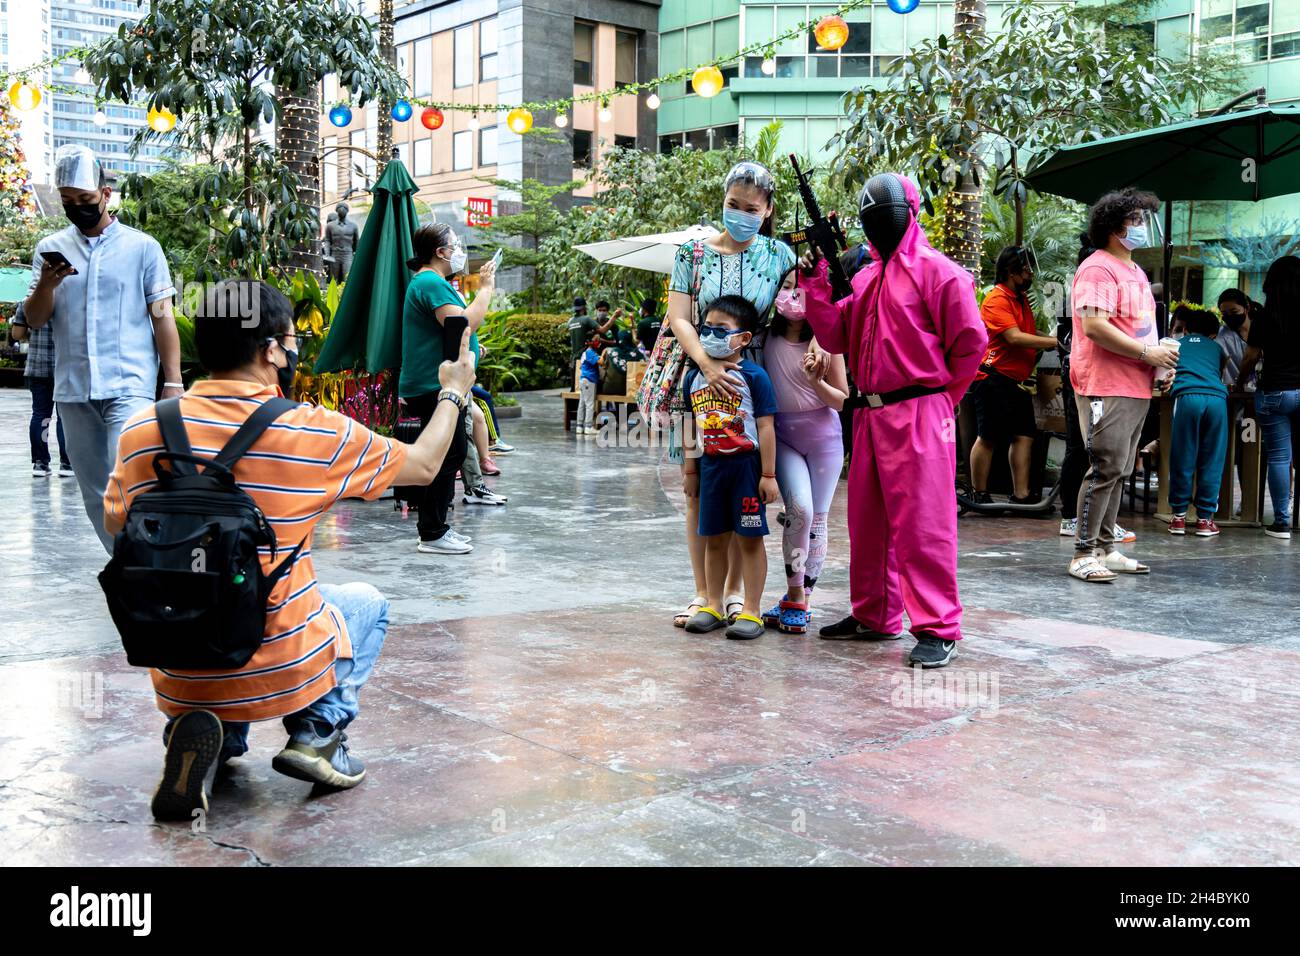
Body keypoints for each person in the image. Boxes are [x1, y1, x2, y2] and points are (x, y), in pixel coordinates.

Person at [104, 281, 477, 821]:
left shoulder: (142, 430)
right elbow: (423, 465)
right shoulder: (312, 432)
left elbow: (118, 522)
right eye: (290, 340)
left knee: (215, 608)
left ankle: (210, 734)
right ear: (272, 350)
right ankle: (317, 731)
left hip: (175, 654)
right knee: (364, 602)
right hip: (279, 659)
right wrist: (452, 390)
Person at [799, 172, 986, 668]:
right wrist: (816, 281)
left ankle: (937, 626)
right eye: (870, 216)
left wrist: (945, 400)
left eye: (887, 213)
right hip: (870, 413)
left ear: (912, 213)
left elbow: (971, 343)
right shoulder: (865, 277)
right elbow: (838, 336)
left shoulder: (942, 274)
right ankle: (876, 614)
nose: (879, 223)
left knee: (925, 524)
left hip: (920, 409)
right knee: (869, 521)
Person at [21, 144, 182, 553]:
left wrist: (174, 382)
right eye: (69, 202)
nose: (79, 208)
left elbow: (162, 316)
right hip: (73, 387)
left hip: (129, 384)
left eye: (87, 200)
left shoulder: (142, 248)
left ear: (106, 194)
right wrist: (47, 285)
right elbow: (36, 320)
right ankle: (127, 567)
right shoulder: (49, 248)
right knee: (95, 490)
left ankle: (153, 560)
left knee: (128, 476)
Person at [667, 160, 797, 627]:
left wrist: (821, 342)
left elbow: (805, 309)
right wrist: (704, 362)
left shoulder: (781, 255)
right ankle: (705, 594)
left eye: (751, 208)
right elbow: (680, 316)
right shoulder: (692, 253)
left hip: (753, 378)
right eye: (732, 205)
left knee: (746, 489)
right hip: (700, 380)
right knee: (698, 490)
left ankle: (741, 597)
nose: (740, 213)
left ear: (766, 210)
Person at [1067, 188, 1178, 583]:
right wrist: (1148, 355)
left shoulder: (1135, 272)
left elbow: (1139, 330)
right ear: (1115, 227)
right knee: (1105, 467)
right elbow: (1095, 326)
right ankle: (1083, 552)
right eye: (1137, 219)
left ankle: (1104, 548)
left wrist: (1158, 360)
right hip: (1106, 383)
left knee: (1119, 468)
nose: (1143, 226)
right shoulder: (1098, 269)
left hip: (1135, 384)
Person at [680, 296, 779, 640]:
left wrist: (768, 474)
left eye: (720, 329)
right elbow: (688, 426)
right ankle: (712, 603)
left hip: (746, 470)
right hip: (711, 470)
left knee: (750, 539)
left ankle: (752, 609)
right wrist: (690, 472)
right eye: (706, 328)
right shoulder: (693, 377)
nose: (710, 334)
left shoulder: (755, 377)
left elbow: (766, 426)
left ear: (744, 338)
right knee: (714, 539)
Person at [397, 222, 499, 554]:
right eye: (453, 245)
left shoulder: (429, 282)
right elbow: (463, 323)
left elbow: (449, 334)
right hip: (433, 386)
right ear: (440, 252)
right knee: (449, 452)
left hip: (432, 382)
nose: (457, 251)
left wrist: (471, 351)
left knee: (449, 451)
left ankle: (435, 528)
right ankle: (432, 531)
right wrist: (485, 288)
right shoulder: (430, 281)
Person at [760, 269, 848, 634]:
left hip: (825, 436)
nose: (793, 295)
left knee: (819, 519)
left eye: (801, 289)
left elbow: (843, 400)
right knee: (799, 510)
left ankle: (801, 597)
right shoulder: (765, 340)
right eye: (786, 287)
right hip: (784, 436)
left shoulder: (829, 343)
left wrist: (816, 380)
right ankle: (795, 592)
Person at [967, 246, 1058, 504]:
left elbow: (1029, 331)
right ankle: (979, 492)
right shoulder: (997, 299)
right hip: (993, 378)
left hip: (1016, 382)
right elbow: (1014, 337)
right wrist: (1051, 343)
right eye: (1027, 270)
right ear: (1011, 271)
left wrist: (1056, 339)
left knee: (1024, 435)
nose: (1031, 274)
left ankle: (1021, 494)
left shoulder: (1018, 299)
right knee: (988, 437)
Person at [1237, 254, 1300, 539]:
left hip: (1274, 391)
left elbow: (1250, 357)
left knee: (1278, 457)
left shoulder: (1263, 317)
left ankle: (1282, 523)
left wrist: (1239, 382)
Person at [1167, 309, 1228, 537]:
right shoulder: (1218, 349)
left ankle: (1179, 518)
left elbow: (1165, 374)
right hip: (1216, 400)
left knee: (1182, 455)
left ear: (1186, 329)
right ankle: (1204, 520)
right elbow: (1219, 373)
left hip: (1186, 397)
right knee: (1212, 458)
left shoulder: (1174, 345)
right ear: (1214, 334)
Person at [9, 302, 73, 478]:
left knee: (40, 415)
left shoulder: (28, 302)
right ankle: (67, 463)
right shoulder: (70, 298)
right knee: (65, 417)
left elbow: (17, 334)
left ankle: (40, 463)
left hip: (38, 367)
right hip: (65, 366)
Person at [1217, 288, 1260, 388]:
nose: (1230, 316)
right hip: (1234, 393)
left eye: (1234, 311)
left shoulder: (1261, 329)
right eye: (1224, 314)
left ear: (1247, 308)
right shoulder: (1221, 336)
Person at [323, 202, 359, 282]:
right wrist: (327, 254)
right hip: (335, 254)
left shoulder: (353, 226)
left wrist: (355, 254)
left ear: (347, 211)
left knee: (347, 278)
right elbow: (327, 240)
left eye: (344, 208)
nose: (342, 210)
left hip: (347, 254)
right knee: (334, 279)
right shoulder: (330, 226)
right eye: (340, 208)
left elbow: (356, 241)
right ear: (336, 210)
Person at [575, 337, 602, 435]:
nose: (598, 342)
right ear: (590, 342)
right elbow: (601, 362)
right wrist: (604, 353)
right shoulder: (590, 352)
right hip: (589, 380)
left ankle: (579, 426)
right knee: (590, 404)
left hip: (584, 380)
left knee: (582, 404)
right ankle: (588, 427)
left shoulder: (585, 352)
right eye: (596, 340)